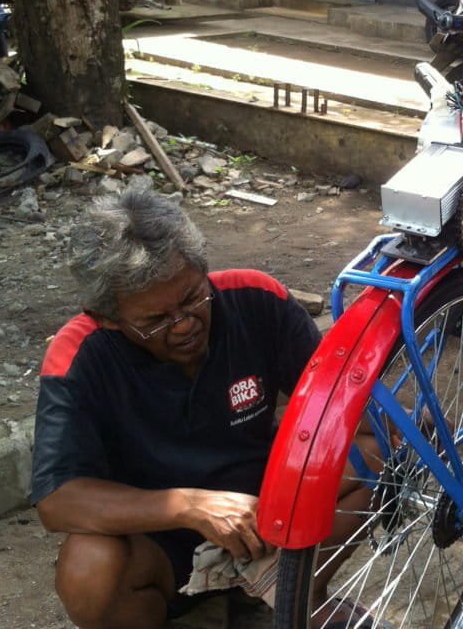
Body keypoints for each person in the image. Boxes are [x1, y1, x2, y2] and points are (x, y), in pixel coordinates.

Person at [31, 188, 378, 629]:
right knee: (88, 569)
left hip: (271, 514)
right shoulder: (78, 354)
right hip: (159, 541)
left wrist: (399, 426)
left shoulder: (257, 298)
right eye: (155, 321)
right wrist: (187, 507)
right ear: (108, 318)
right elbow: (58, 500)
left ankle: (287, 589)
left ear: (202, 269)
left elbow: (348, 412)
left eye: (194, 298)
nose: (184, 325)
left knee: (384, 449)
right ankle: (206, 608)